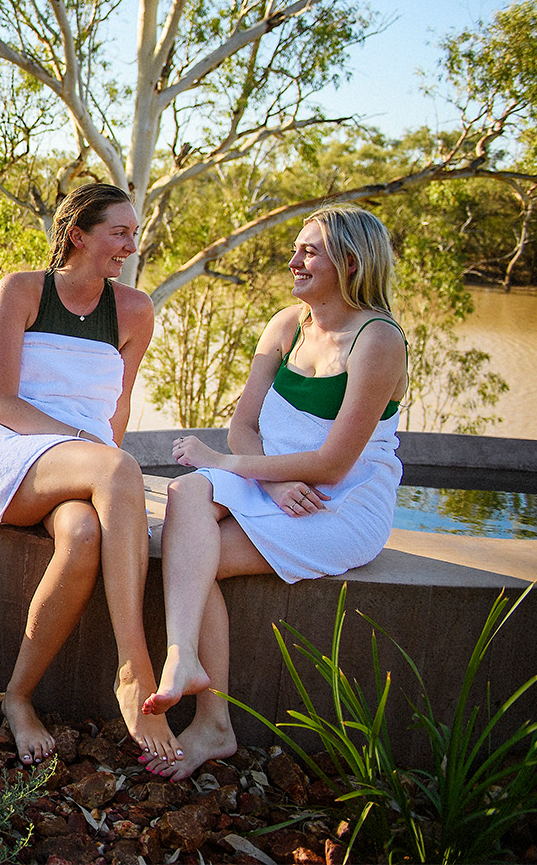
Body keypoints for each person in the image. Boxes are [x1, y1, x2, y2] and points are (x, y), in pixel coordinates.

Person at [140, 205, 408, 782]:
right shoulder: (288, 324)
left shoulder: (378, 340)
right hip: (275, 482)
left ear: (351, 262)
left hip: (338, 503)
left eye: (309, 252)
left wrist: (226, 464)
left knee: (195, 554)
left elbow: (333, 465)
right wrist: (272, 479)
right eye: (296, 249)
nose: (294, 261)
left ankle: (213, 722)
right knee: (187, 493)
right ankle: (183, 658)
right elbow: (244, 425)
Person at [0, 182, 180, 768]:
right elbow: (2, 402)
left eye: (134, 233)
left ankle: (17, 696)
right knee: (116, 465)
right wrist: (96, 453)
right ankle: (134, 670)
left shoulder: (134, 310)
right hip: (9, 449)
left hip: (85, 462)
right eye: (119, 233)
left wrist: (110, 482)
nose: (131, 246)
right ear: (78, 235)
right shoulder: (22, 291)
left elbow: (118, 408)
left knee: (83, 535)